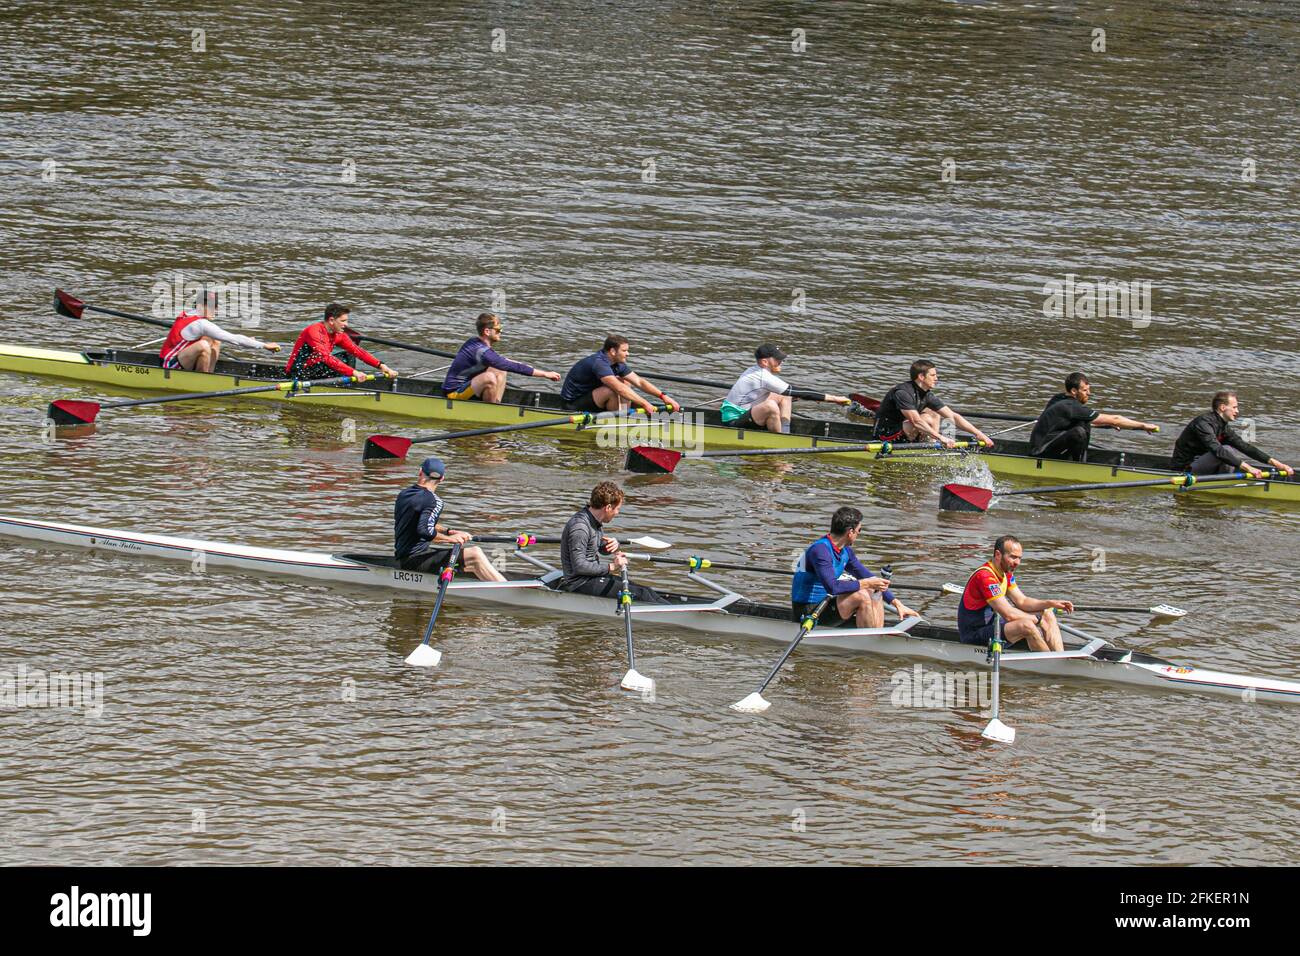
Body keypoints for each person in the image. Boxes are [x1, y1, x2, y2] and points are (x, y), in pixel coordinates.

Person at [790, 506, 919, 628]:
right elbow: (833, 587)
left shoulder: (846, 551)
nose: (858, 534)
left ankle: (875, 633)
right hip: (808, 610)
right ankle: (871, 639)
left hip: (827, 603)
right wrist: (867, 583)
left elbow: (868, 577)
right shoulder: (820, 551)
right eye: (859, 530)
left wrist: (897, 604)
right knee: (862, 594)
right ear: (850, 532)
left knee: (873, 591)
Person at [393, 457, 506, 580]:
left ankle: (490, 582)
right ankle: (507, 592)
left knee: (468, 560)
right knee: (475, 553)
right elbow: (424, 530)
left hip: (405, 557)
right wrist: (450, 539)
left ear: (420, 472)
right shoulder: (434, 501)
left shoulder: (404, 494)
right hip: (415, 561)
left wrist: (449, 531)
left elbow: (419, 523)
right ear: (442, 479)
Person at [957, 536, 1072, 653]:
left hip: (993, 626)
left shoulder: (1006, 573)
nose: (1017, 562)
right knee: (1027, 625)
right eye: (1013, 557)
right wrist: (1038, 620)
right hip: (974, 634)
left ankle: (1059, 656)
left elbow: (1022, 601)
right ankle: (1051, 665)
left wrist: (1050, 603)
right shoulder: (985, 577)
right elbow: (1008, 614)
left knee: (1047, 614)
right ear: (998, 555)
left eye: (1019, 558)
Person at [556, 481, 666, 603]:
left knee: (646, 590)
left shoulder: (595, 520)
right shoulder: (580, 528)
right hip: (579, 583)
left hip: (592, 577)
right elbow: (580, 567)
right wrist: (612, 566)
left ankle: (673, 610)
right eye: (617, 509)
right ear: (608, 507)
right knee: (642, 594)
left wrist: (612, 546)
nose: (617, 513)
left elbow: (594, 547)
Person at [720, 344, 852, 434]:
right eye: (777, 359)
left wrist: (808, 395)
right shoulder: (762, 376)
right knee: (771, 405)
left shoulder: (755, 370)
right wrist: (834, 399)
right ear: (765, 362)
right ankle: (779, 440)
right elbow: (797, 390)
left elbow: (793, 392)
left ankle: (785, 429)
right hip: (733, 422)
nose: (781, 362)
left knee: (784, 395)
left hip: (745, 411)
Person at [1028, 372, 1159, 461]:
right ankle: (1077, 466)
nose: (1089, 394)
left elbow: (1075, 421)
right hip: (1041, 452)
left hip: (1043, 445)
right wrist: (1143, 425)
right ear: (1074, 391)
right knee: (1079, 433)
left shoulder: (1058, 398)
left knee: (1083, 424)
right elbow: (1116, 419)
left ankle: (1074, 461)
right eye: (1085, 390)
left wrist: (1107, 424)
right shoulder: (1071, 407)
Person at [1170, 391, 1294, 479]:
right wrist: (1249, 468)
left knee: (1233, 449)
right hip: (1184, 469)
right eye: (1234, 407)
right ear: (1223, 407)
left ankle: (1223, 481)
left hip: (1203, 465)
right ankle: (1224, 483)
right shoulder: (1203, 424)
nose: (1237, 411)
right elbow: (1217, 451)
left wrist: (1279, 464)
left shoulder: (1223, 426)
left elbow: (1246, 447)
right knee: (1226, 450)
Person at [441, 312, 561, 402]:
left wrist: (524, 366)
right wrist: (546, 374)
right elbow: (509, 365)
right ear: (487, 331)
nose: (501, 332)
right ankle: (493, 411)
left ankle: (495, 404)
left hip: (468, 385)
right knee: (489, 377)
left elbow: (503, 362)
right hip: (454, 394)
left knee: (500, 369)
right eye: (498, 329)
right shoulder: (481, 351)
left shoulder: (475, 342)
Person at [872, 360, 993, 449]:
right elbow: (916, 422)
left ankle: (932, 444)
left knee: (934, 412)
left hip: (904, 429)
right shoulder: (903, 393)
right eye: (933, 375)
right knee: (925, 418)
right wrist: (941, 437)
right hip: (884, 434)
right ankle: (934, 444)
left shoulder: (927, 395)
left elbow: (953, 416)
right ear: (921, 377)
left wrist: (979, 434)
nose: (936, 378)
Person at [160, 290, 281, 372]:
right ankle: (202, 381)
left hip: (182, 360)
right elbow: (234, 339)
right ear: (200, 306)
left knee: (214, 339)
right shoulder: (200, 324)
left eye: (216, 306)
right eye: (212, 306)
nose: (216, 310)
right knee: (203, 345)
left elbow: (227, 336)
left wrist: (248, 341)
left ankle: (209, 374)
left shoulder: (191, 315)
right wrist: (264, 345)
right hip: (169, 365)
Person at [560, 335, 680, 416]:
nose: (627, 354)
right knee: (613, 389)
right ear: (612, 351)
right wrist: (644, 403)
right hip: (572, 406)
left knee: (626, 381)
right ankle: (620, 421)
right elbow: (619, 389)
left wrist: (663, 396)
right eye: (624, 351)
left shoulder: (617, 363)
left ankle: (624, 415)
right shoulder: (599, 363)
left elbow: (639, 382)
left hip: (593, 399)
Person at [284, 303, 398, 381]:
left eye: (347, 321)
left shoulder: (339, 334)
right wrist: (353, 372)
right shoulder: (314, 331)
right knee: (340, 359)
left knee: (349, 354)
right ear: (332, 320)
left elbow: (358, 351)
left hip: (318, 368)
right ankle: (348, 382)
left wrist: (381, 366)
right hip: (299, 372)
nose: (346, 324)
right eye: (343, 321)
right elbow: (326, 358)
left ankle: (348, 383)